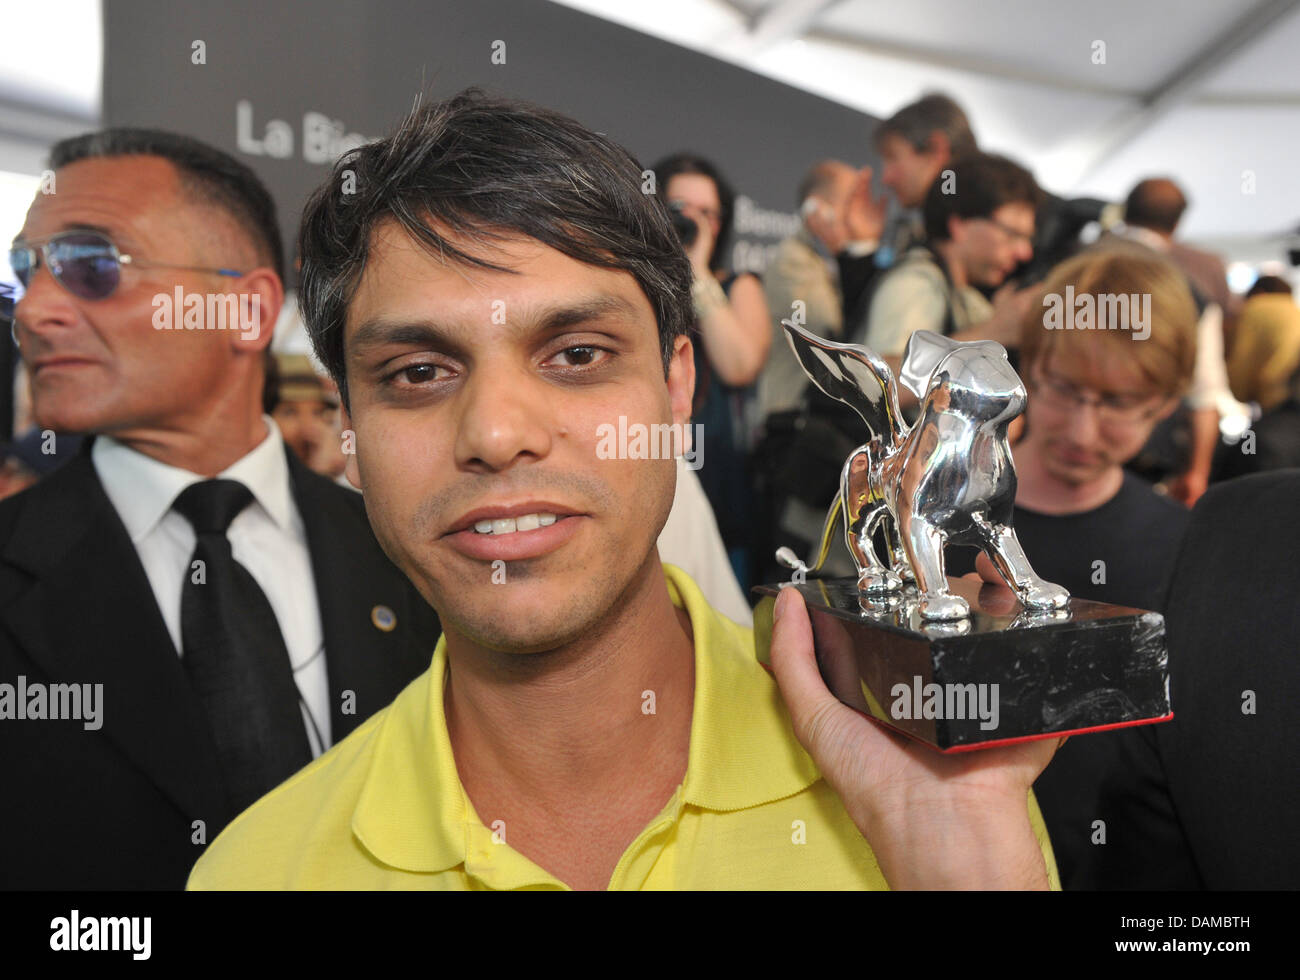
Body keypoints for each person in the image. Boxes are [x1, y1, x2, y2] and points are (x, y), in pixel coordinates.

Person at [188, 90, 1062, 891]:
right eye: (418, 372)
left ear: (677, 388)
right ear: (347, 424)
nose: (496, 434)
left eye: (576, 355)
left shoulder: (929, 787)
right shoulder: (257, 873)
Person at [0, 128, 441, 889]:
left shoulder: (414, 553)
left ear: (245, 310)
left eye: (92, 266)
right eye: (23, 271)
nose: (35, 309)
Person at [944, 249, 1198, 887]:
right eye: (1065, 391)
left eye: (1119, 402)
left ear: (1165, 404)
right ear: (1029, 369)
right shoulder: (939, 523)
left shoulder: (1187, 547)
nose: (1084, 431)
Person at [653, 153, 770, 587]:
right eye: (682, 209)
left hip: (721, 476)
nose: (696, 222)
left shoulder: (738, 285)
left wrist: (697, 272)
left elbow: (739, 366)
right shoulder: (631, 284)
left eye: (709, 213)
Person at [1102, 177, 1242, 507]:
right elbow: (1205, 389)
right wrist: (1197, 472)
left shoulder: (1071, 260)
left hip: (1051, 446)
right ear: (1178, 222)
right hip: (1146, 455)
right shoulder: (1198, 277)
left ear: (1126, 210)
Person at [864, 151, 1042, 383]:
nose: (1024, 252)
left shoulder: (961, 296)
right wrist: (994, 331)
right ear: (960, 225)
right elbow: (879, 383)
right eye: (1012, 234)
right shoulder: (918, 283)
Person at [758, 160, 859, 419]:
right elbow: (830, 332)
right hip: (792, 419)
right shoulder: (793, 260)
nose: (859, 213)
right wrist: (847, 254)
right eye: (851, 201)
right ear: (817, 209)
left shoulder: (828, 260)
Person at [1226, 274, 1300, 414]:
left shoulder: (1255, 307)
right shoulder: (1294, 309)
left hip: (1280, 394)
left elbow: (1242, 360)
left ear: (1259, 293)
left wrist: (1239, 394)